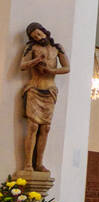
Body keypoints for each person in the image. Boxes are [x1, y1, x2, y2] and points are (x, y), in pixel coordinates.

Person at [20, 22, 69, 172]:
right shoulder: (31, 48)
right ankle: (28, 164)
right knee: (33, 126)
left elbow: (67, 68)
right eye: (35, 36)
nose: (39, 37)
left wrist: (51, 70)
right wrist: (36, 61)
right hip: (35, 88)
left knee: (46, 128)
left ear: (45, 32)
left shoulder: (57, 48)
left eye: (40, 33)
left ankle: (39, 163)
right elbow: (22, 65)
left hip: (50, 89)